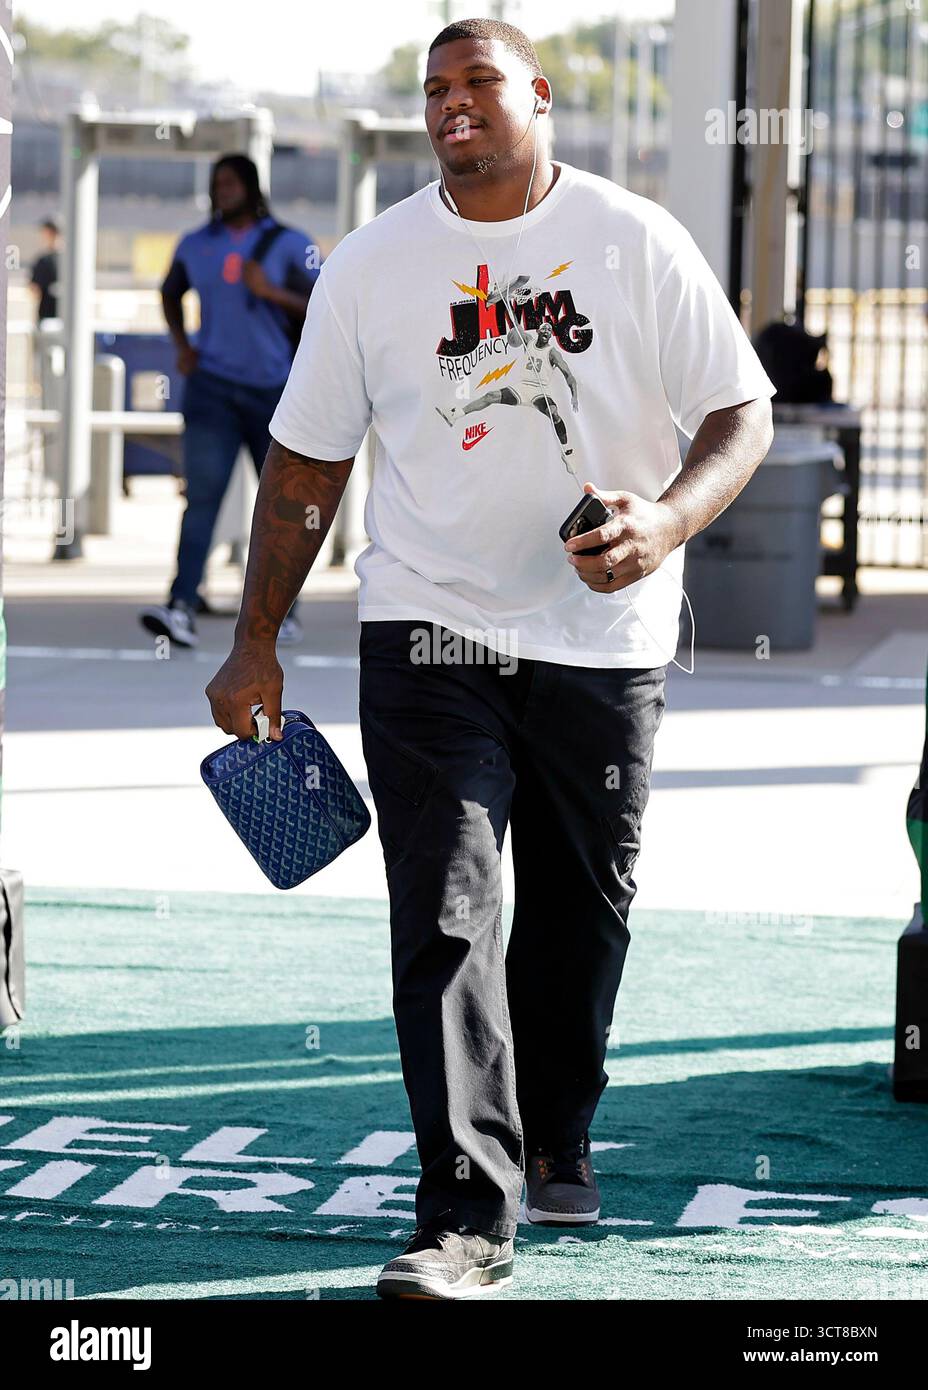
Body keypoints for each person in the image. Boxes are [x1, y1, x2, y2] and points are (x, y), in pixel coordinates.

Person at [205, 18, 776, 1299]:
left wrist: (667, 521)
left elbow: (742, 408)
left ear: (539, 95)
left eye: (477, 83)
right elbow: (308, 461)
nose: (452, 105)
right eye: (433, 90)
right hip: (427, 624)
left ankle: (558, 1128)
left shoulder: (634, 240)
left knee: (580, 919)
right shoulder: (370, 264)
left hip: (599, 639)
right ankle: (465, 1207)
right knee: (449, 911)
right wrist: (256, 639)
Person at [140, 154, 320, 649]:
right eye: (216, 183)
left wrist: (273, 293)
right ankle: (180, 606)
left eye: (231, 182)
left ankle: (284, 611)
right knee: (201, 498)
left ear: (251, 186)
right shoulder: (196, 244)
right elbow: (169, 291)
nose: (223, 191)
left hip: (275, 393)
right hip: (211, 390)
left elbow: (322, 310)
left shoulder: (291, 244)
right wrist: (181, 346)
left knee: (283, 505)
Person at [30, 218, 60, 323]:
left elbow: (34, 290)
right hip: (68, 318)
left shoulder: (43, 261)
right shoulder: (73, 262)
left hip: (46, 316)